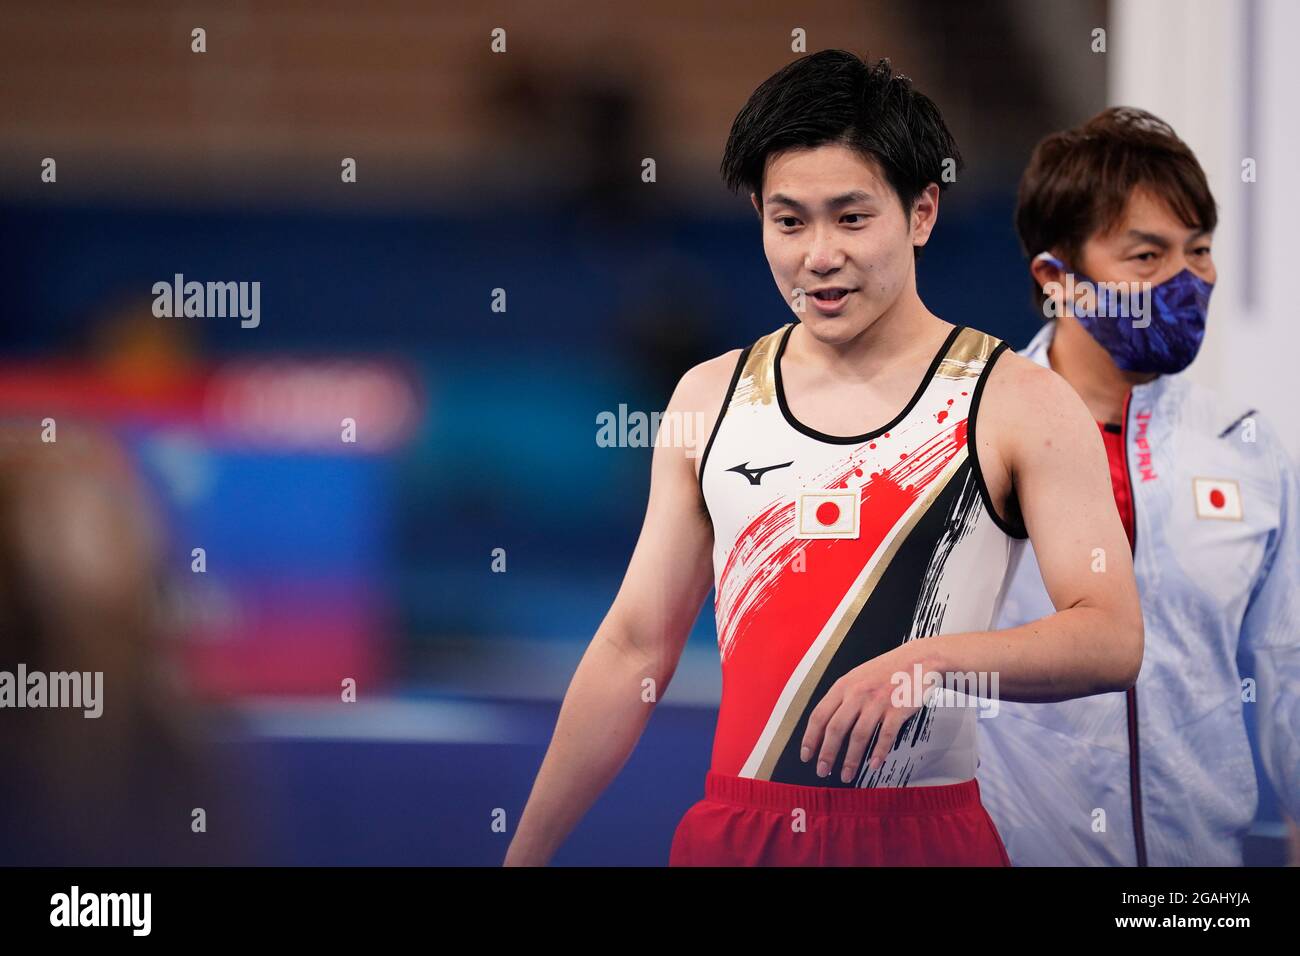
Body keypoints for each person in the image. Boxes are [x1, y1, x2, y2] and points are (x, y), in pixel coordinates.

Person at [504, 50, 1142, 867]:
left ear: (922, 212)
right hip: (737, 836)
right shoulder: (710, 399)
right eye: (788, 220)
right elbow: (635, 646)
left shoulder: (1017, 402)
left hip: (925, 840)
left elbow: (1112, 637)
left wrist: (931, 661)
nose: (817, 255)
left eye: (851, 217)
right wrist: (526, 853)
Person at [976, 107, 1300, 866]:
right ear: (1058, 279)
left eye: (1200, 250)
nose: (1186, 279)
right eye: (1147, 255)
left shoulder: (1246, 448)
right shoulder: (971, 436)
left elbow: (1288, 672)